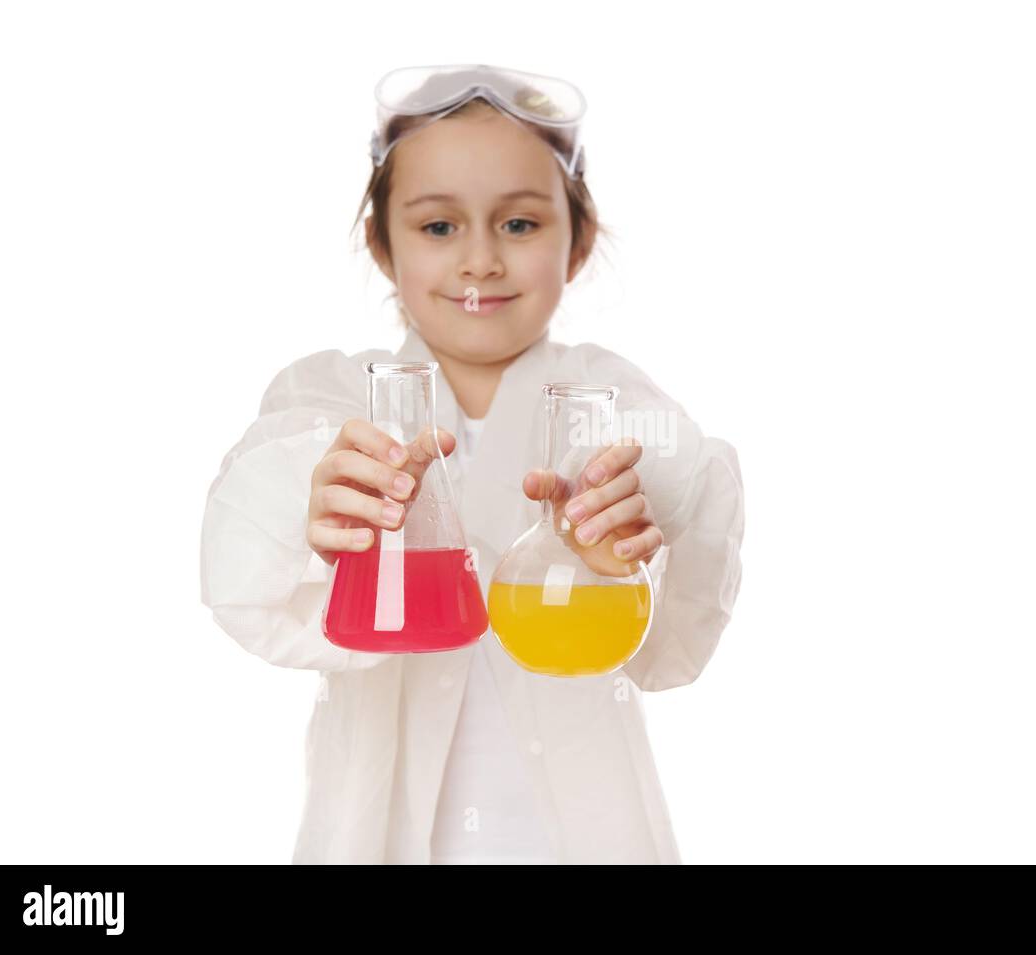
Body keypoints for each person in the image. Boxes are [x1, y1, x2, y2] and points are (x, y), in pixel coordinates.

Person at [199, 65, 745, 864]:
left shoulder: (613, 405)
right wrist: (318, 500)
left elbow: (678, 631)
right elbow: (242, 564)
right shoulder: (332, 400)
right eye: (439, 226)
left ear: (578, 239)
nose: (481, 261)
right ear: (382, 244)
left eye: (520, 225)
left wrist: (629, 545)